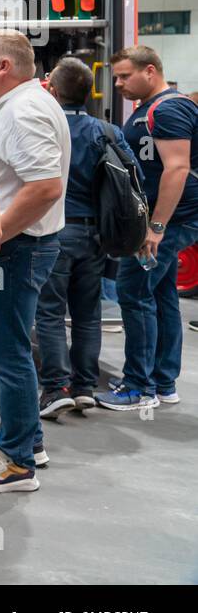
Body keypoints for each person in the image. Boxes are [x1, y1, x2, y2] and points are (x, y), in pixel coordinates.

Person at [0, 30, 70, 493]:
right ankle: (27, 438)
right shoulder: (16, 105)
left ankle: (17, 463)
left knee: (7, 352)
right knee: (12, 347)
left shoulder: (24, 111)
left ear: (4, 66)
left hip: (17, 251)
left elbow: (44, 186)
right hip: (20, 248)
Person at [34, 58, 142, 417]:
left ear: (53, 90)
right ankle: (83, 386)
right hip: (95, 234)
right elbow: (133, 176)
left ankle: (55, 387)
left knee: (49, 312)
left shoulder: (45, 128)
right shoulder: (106, 131)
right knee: (87, 313)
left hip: (54, 231)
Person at [101, 46, 198, 409]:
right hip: (170, 219)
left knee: (134, 293)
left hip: (169, 222)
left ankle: (138, 386)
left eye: (125, 76)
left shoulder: (168, 108)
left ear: (151, 71)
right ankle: (162, 382)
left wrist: (156, 227)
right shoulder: (152, 109)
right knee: (161, 296)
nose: (119, 83)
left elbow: (177, 168)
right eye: (116, 77)